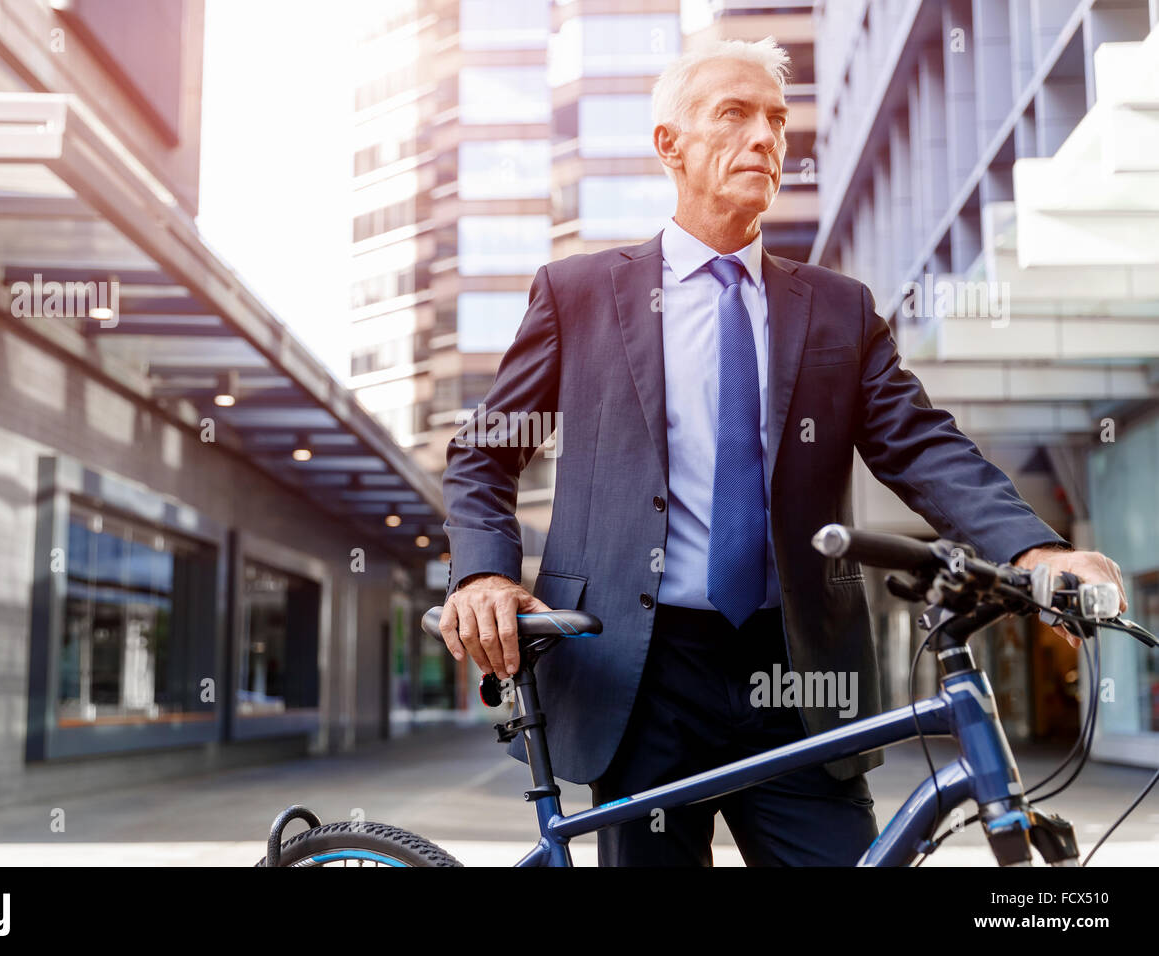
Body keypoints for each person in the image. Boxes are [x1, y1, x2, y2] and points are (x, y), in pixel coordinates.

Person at [437, 37, 1127, 866]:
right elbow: (484, 453)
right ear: (670, 145)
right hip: (636, 672)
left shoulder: (837, 309)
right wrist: (481, 570)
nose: (766, 137)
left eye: (775, 119)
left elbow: (919, 444)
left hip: (798, 672)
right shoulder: (581, 295)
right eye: (734, 114)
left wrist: (1038, 547)